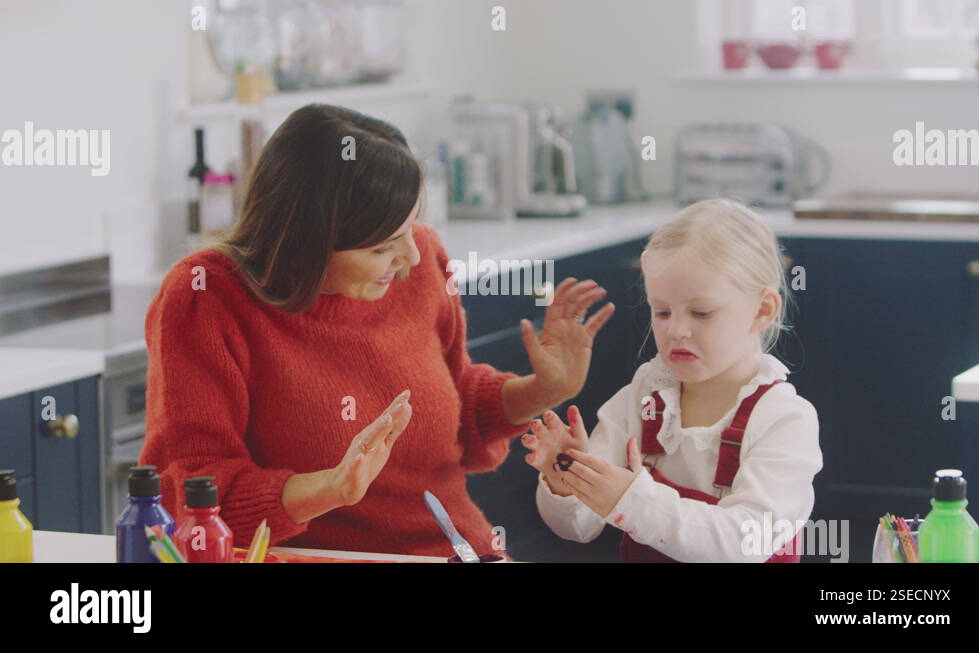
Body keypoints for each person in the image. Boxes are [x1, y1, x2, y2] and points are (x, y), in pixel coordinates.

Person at [140, 104, 615, 558]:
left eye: (412, 228)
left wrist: (541, 390)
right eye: (384, 246)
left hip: (457, 552)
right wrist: (328, 489)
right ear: (307, 242)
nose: (411, 256)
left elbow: (451, 397)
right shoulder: (206, 297)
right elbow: (191, 490)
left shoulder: (422, 259)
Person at [525, 198, 823, 562]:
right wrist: (567, 480)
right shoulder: (644, 396)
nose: (676, 330)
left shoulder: (785, 420)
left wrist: (632, 500)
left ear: (761, 311)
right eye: (662, 311)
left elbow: (746, 542)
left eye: (701, 312)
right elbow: (578, 527)